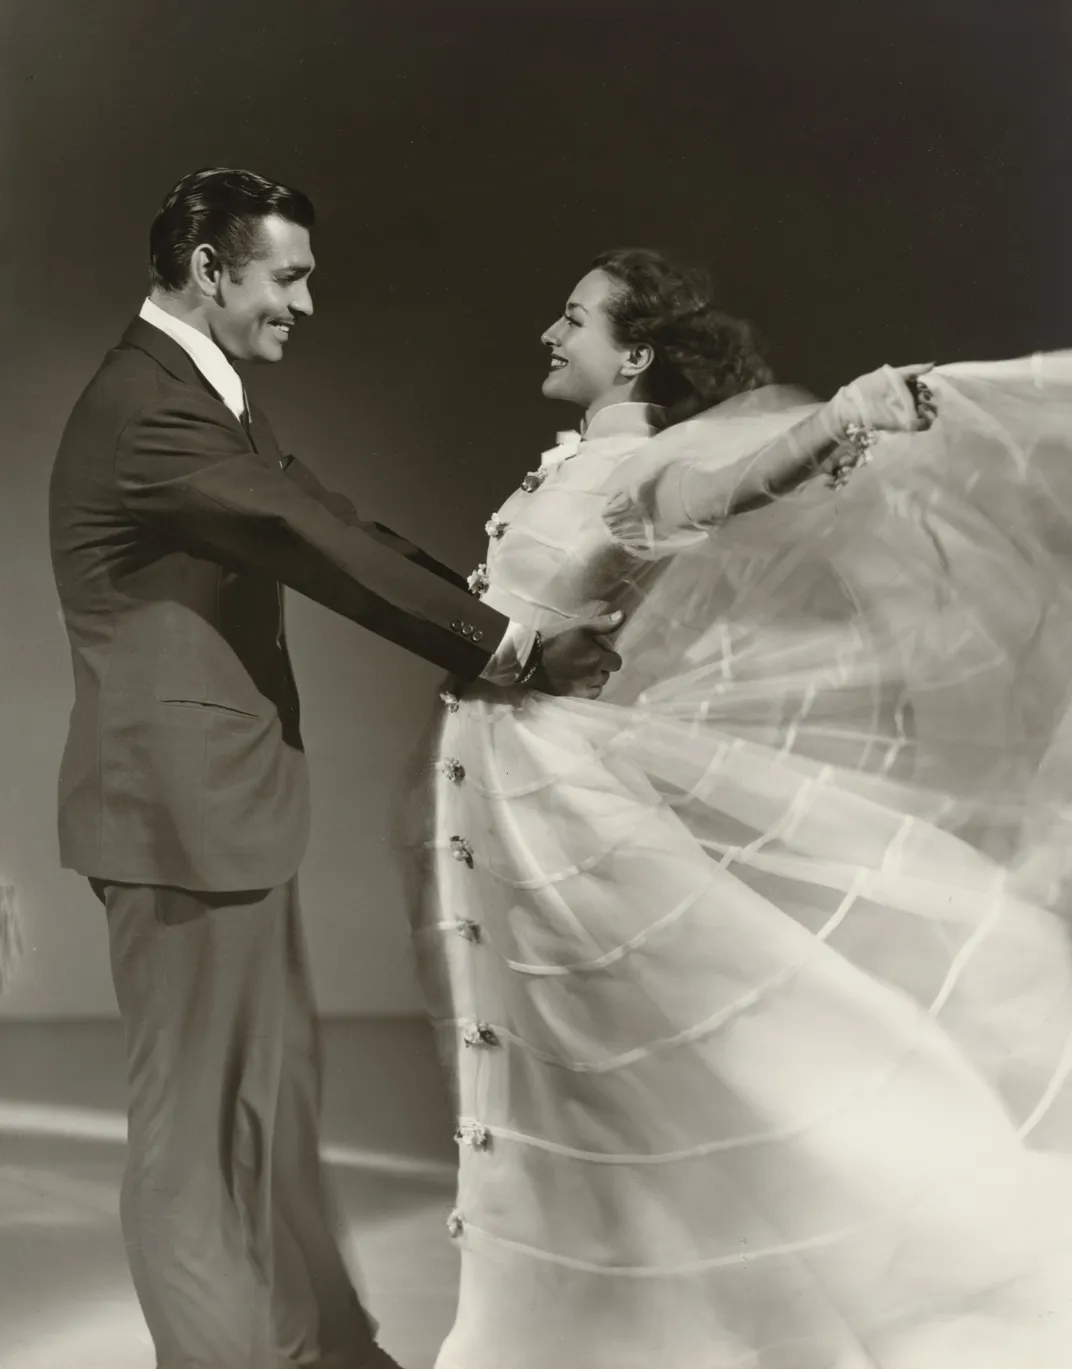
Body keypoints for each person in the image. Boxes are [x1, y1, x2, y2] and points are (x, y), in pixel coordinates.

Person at [404, 248, 1072, 1367]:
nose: (549, 334)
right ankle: (605, 1328)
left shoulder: (649, 466)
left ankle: (939, 1241)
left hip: (551, 787)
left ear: (637, 353)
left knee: (683, 1025)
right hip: (501, 775)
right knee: (565, 1058)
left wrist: (840, 417)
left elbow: (728, 490)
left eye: (574, 319)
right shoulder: (573, 466)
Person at [47, 167, 622, 1369]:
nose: (308, 301)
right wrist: (508, 646)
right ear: (211, 270)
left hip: (218, 811)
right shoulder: (153, 408)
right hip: (180, 820)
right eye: (289, 275)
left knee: (267, 1114)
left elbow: (329, 515)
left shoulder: (201, 396)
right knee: (198, 1141)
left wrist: (484, 610)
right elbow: (301, 541)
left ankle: (325, 1354)